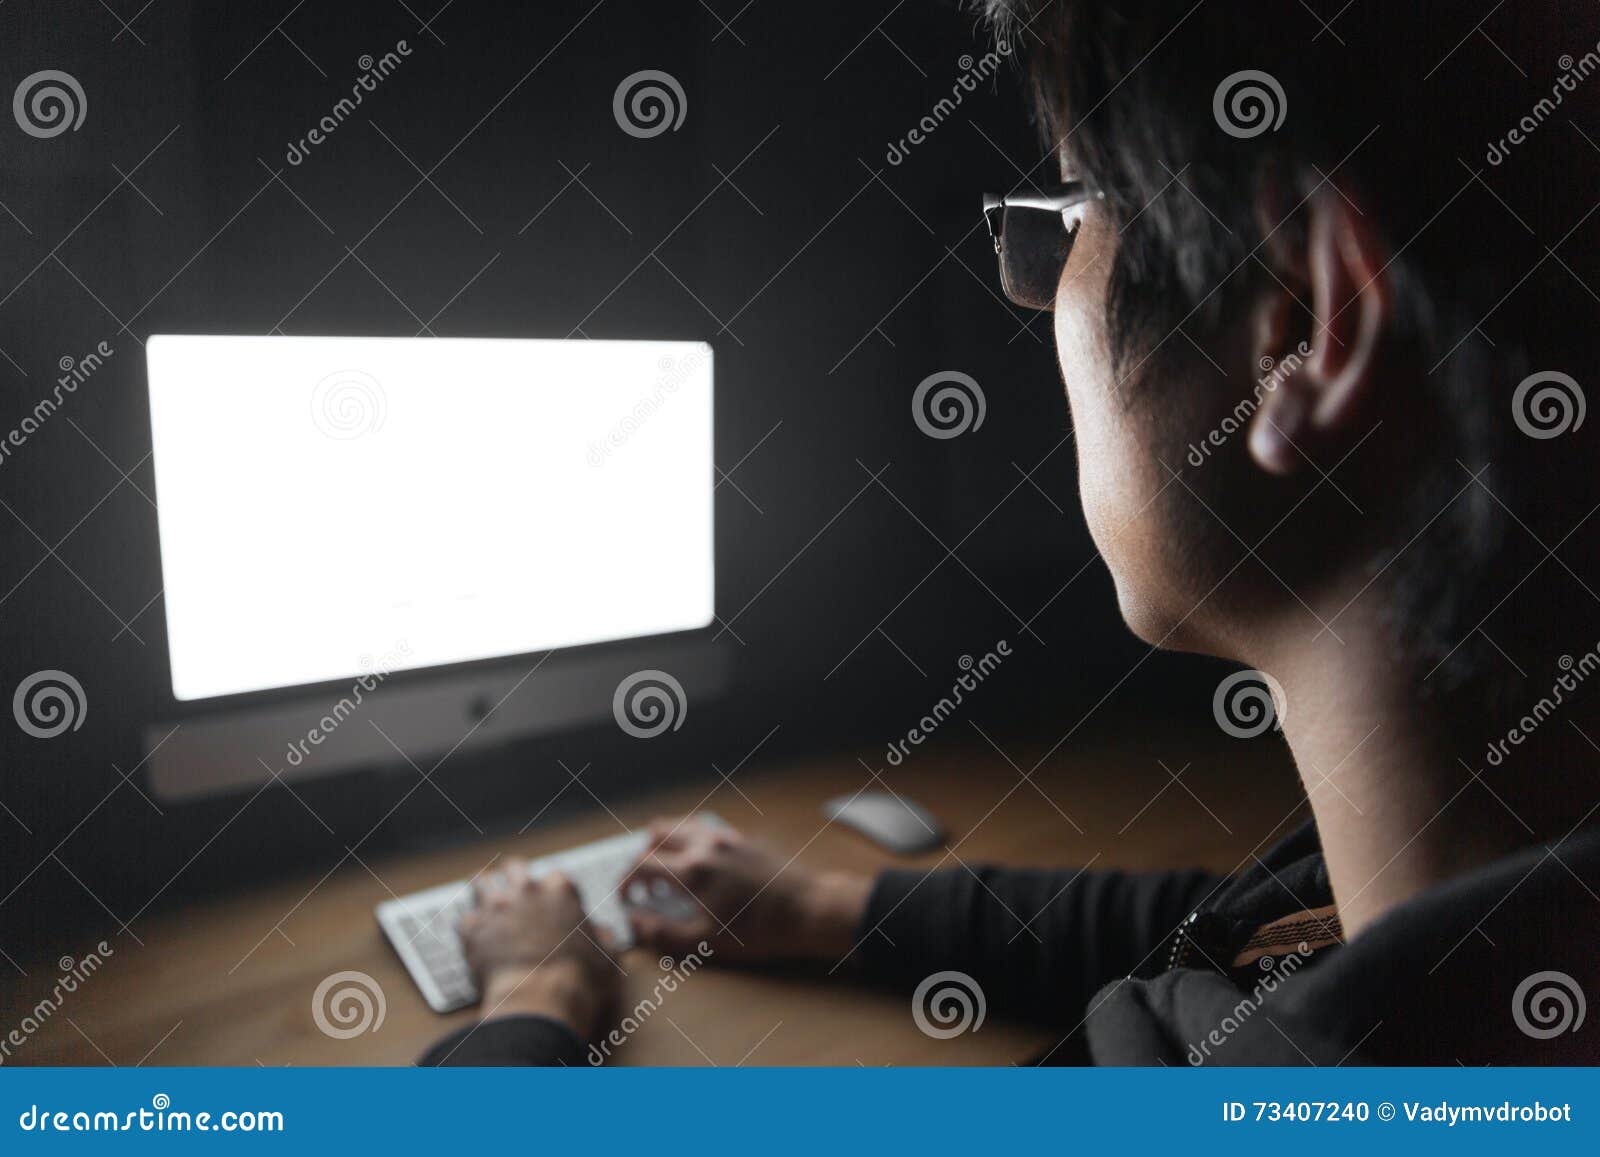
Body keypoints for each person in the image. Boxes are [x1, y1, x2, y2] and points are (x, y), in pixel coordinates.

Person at [422, 0, 1600, 1066]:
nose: (1036, 295)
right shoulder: (1482, 899)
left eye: (1063, 222)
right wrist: (839, 907)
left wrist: (529, 992)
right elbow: (1249, 918)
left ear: (1303, 323)